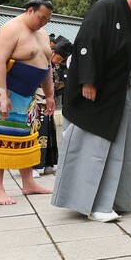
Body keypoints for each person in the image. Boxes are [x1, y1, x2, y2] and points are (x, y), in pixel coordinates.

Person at [51, 0, 131, 221]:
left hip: (126, 89)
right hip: (101, 90)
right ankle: (95, 203)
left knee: (129, 145)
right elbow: (86, 45)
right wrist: (88, 81)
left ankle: (128, 195)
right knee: (97, 146)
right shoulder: (104, 8)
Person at [0, 0, 55, 205]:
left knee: (28, 138)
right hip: (6, 90)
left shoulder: (42, 33)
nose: (44, 22)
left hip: (29, 94)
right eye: (41, 17)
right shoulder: (11, 29)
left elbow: (46, 65)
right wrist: (1, 93)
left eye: (47, 19)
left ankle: (28, 183)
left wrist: (49, 94)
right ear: (30, 10)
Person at [37, 34, 72, 175]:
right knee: (40, 133)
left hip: (48, 101)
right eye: (59, 58)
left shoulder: (55, 66)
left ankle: (49, 163)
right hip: (38, 99)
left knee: (50, 134)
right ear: (53, 52)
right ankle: (36, 165)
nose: (59, 61)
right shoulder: (40, 60)